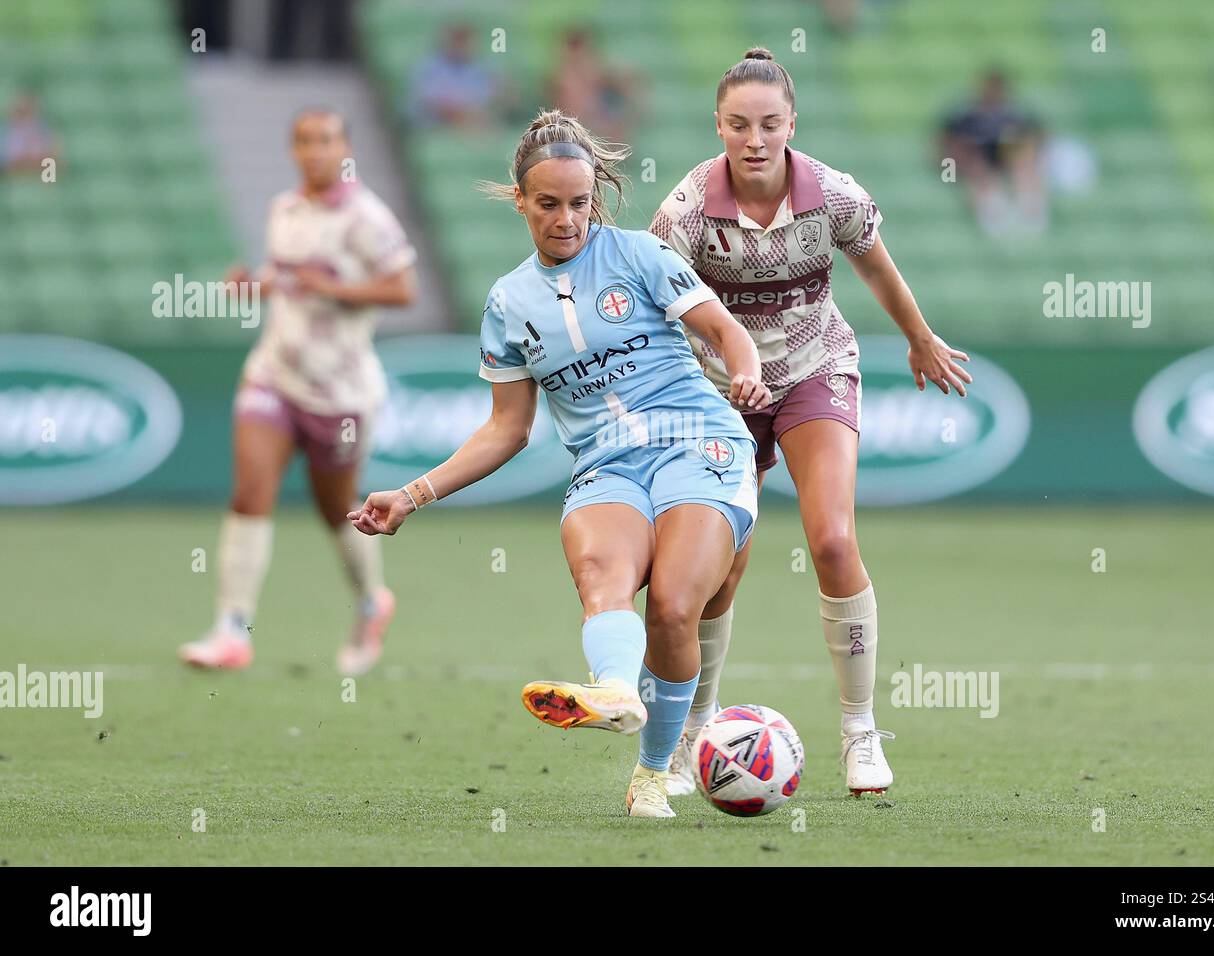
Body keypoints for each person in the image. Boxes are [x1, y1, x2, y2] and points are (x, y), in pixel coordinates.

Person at [347, 109, 771, 818]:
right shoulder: (508, 303)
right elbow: (506, 431)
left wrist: (748, 371)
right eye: (548, 204)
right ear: (521, 201)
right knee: (603, 577)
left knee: (672, 605)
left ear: (593, 197)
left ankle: (651, 772)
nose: (566, 219)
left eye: (579, 203)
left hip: (698, 442)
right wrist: (412, 495)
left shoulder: (639, 255)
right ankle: (612, 690)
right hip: (606, 466)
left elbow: (725, 332)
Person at [650, 48, 972, 798]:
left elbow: (877, 268)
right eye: (738, 125)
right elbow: (662, 313)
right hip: (719, 391)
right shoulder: (685, 212)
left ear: (792, 123)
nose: (754, 139)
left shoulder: (834, 196)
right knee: (718, 572)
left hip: (813, 369)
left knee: (830, 537)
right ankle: (694, 729)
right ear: (718, 127)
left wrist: (920, 336)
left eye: (768, 124)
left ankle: (860, 731)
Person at [179, 108, 418, 676]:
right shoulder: (284, 210)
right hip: (275, 376)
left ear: (345, 147)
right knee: (250, 494)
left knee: (338, 508)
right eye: (305, 141)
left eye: (326, 140)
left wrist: (335, 288)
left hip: (340, 393)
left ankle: (370, 603)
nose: (315, 150)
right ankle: (232, 630)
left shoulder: (367, 218)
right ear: (293, 149)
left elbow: (403, 288)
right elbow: (284, 278)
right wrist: (253, 287)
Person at [940, 69, 1046, 236]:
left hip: (1007, 160)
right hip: (977, 165)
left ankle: (1030, 214)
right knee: (978, 167)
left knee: (1023, 162)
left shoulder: (1015, 117)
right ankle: (993, 218)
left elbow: (1036, 139)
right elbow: (949, 144)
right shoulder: (967, 118)